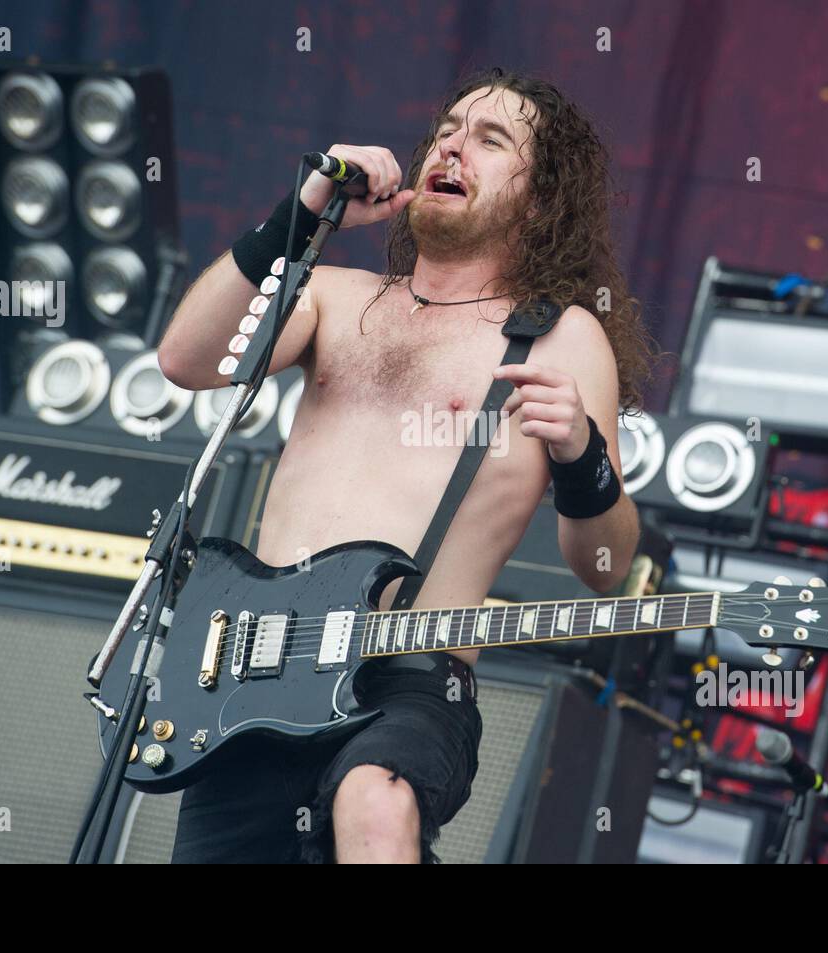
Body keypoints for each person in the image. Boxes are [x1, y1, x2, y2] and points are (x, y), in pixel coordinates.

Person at [157, 67, 657, 863]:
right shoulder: (333, 296)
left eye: (491, 140)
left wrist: (582, 454)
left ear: (539, 202)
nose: (455, 146)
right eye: (449, 130)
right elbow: (186, 358)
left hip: (410, 677)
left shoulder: (559, 340)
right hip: (255, 678)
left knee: (374, 801)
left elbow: (605, 566)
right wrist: (307, 209)